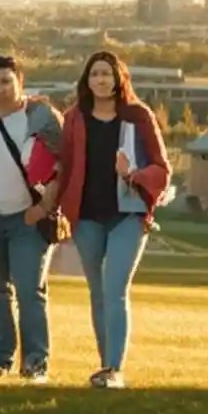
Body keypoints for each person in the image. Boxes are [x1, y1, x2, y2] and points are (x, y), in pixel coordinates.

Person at [57, 51, 170, 389]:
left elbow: (163, 169)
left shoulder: (138, 117)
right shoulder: (75, 119)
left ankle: (113, 369)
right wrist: (60, 209)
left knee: (114, 289)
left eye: (107, 74)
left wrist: (134, 174)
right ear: (86, 81)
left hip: (128, 214)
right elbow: (66, 167)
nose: (101, 80)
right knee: (98, 293)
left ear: (119, 78)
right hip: (86, 216)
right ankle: (105, 365)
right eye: (95, 74)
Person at [0, 55, 63, 384]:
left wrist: (44, 207)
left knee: (29, 291)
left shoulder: (41, 117)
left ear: (20, 79)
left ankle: (35, 363)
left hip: (27, 220)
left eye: (6, 81)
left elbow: (61, 167)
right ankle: (0, 360)